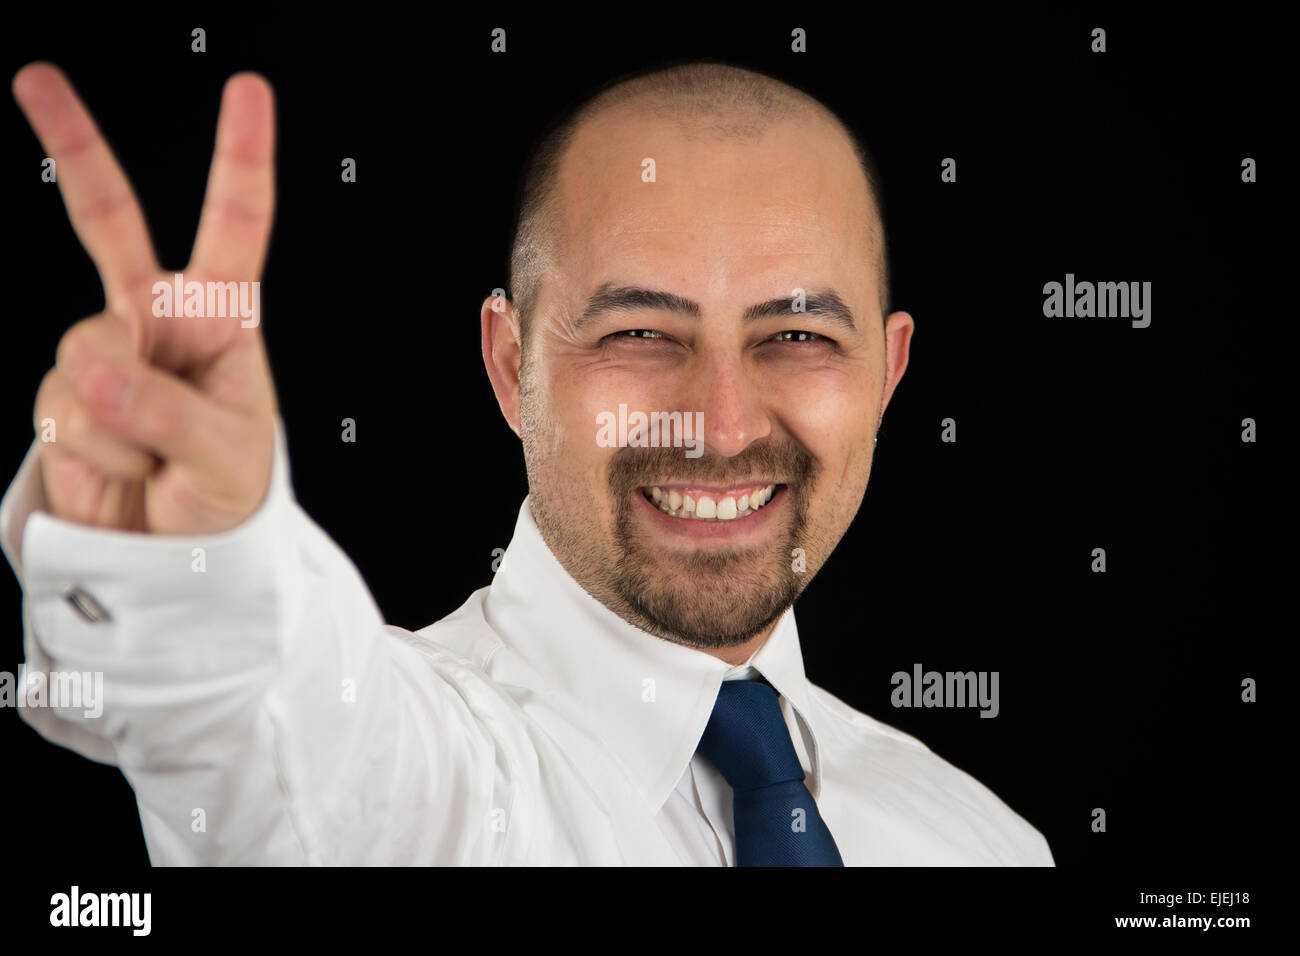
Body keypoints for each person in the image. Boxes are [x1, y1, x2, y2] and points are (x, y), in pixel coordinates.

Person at [1, 58, 1054, 865]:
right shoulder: (439, 773)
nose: (723, 422)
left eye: (798, 338)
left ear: (886, 371)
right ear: (510, 366)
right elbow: (284, 745)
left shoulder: (985, 843)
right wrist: (196, 557)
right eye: (640, 332)